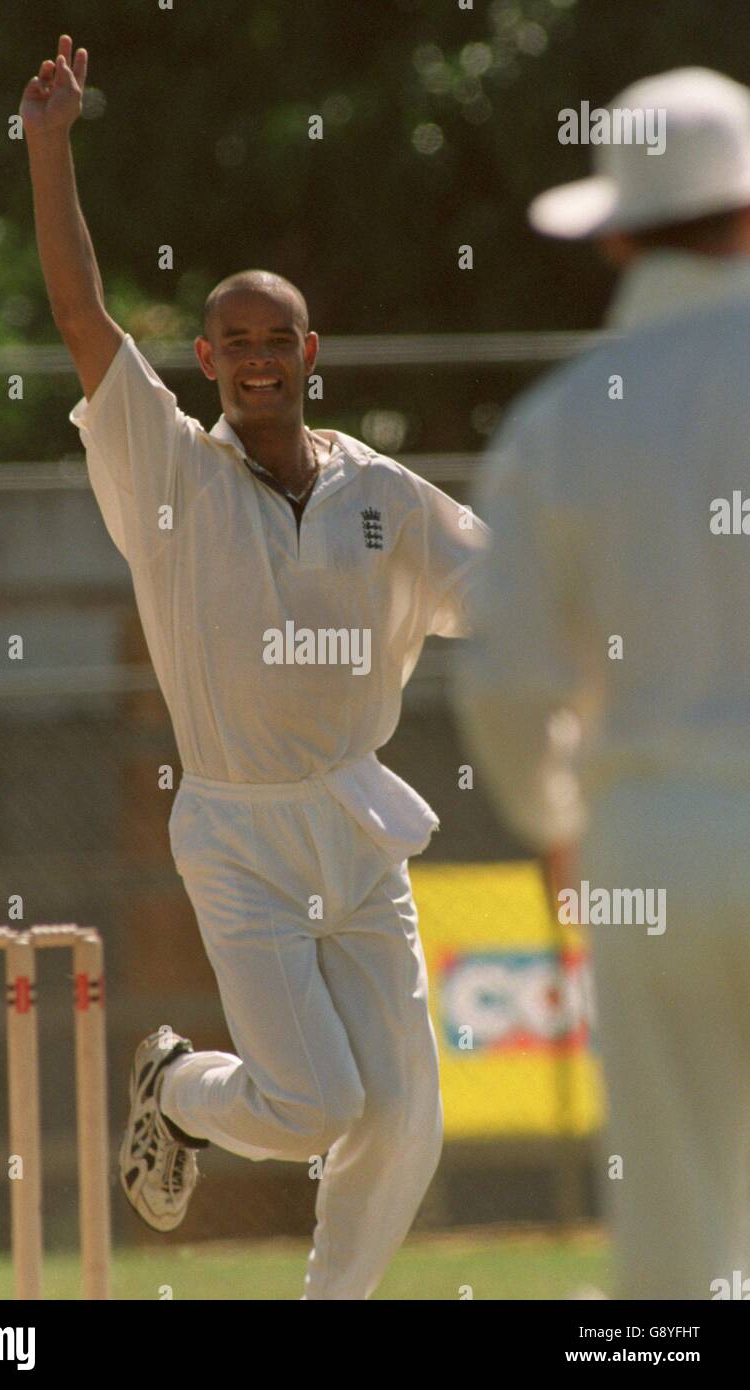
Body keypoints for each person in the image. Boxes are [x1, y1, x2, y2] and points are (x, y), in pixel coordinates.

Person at [21, 35, 488, 1300]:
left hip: (353, 815)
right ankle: (175, 1080)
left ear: (309, 346)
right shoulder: (163, 468)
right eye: (231, 341)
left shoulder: (378, 490)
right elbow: (80, 315)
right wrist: (51, 146)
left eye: (275, 335)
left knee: (404, 1117)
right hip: (236, 834)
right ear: (207, 363)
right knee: (313, 1100)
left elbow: (497, 598)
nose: (256, 356)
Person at [453, 67, 750, 1299]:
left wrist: (554, 816)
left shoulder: (561, 421)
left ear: (616, 228)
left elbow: (507, 674)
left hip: (653, 837)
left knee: (678, 1253)